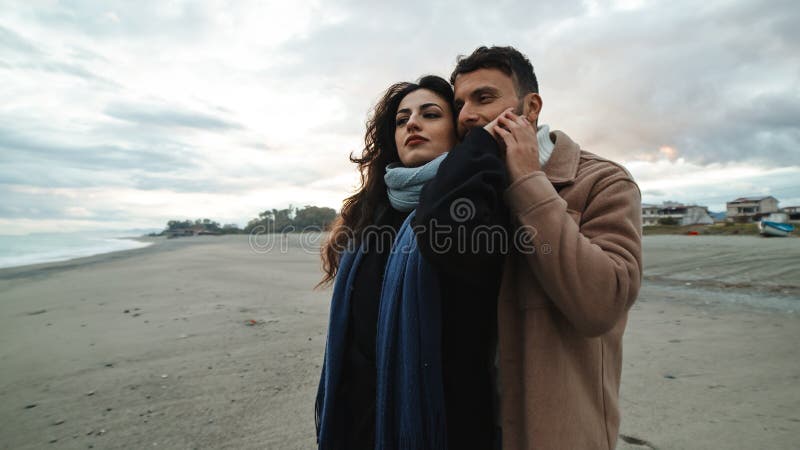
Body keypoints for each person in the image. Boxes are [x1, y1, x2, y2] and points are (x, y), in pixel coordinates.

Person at [417, 46, 643, 449]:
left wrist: (527, 181)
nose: (467, 115)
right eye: (460, 103)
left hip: (560, 435)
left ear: (531, 106)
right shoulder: (468, 188)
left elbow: (602, 304)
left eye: (484, 98)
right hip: (473, 428)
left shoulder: (603, 181)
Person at [315, 75, 514, 449]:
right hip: (360, 423)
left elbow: (450, 235)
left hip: (445, 423)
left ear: (458, 132)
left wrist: (476, 147)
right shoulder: (369, 215)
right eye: (402, 119)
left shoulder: (480, 203)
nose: (412, 124)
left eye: (431, 114)